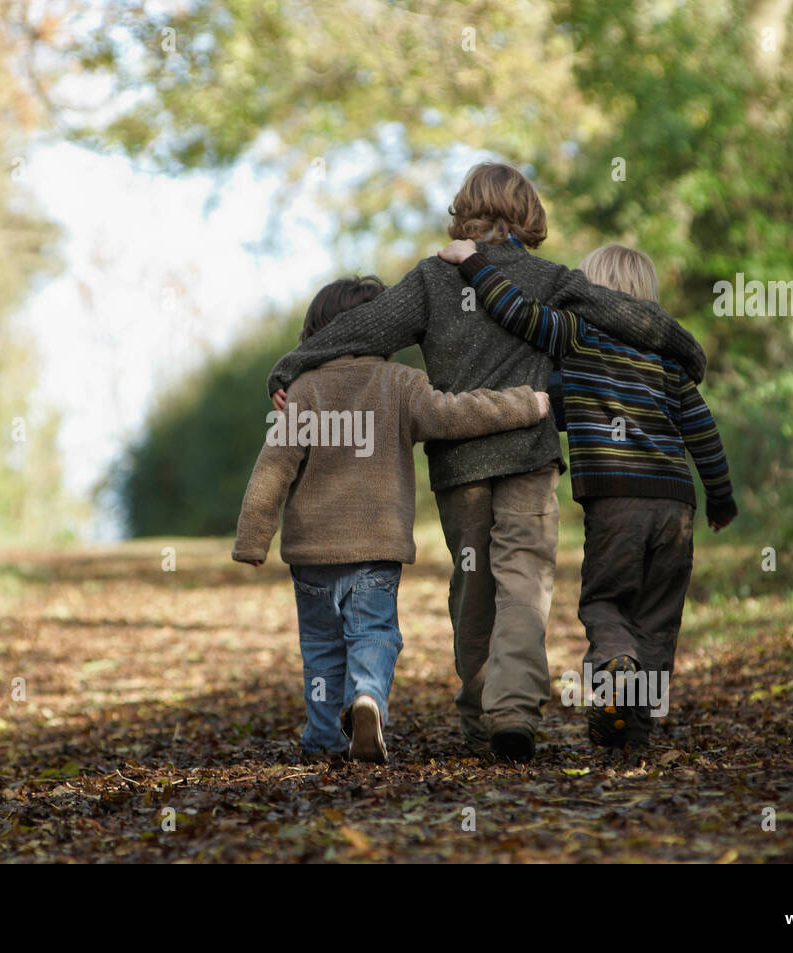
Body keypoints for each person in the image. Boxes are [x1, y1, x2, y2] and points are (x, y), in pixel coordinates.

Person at [266, 163, 706, 761]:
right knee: (525, 587)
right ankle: (513, 713)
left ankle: (479, 721)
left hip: (460, 469)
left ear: (464, 210)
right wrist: (688, 352)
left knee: (474, 592)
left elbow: (361, 328)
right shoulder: (549, 278)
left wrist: (290, 366)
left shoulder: (430, 281)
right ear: (527, 213)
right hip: (528, 460)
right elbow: (633, 317)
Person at [233, 275, 550, 763]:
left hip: (311, 554)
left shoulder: (302, 391)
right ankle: (367, 700)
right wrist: (525, 403)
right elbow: (454, 415)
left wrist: (253, 539)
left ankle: (322, 737)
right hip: (375, 548)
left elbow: (273, 467)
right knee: (374, 633)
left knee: (320, 648)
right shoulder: (400, 383)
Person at [438, 238, 737, 748]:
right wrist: (721, 498)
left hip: (616, 501)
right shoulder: (668, 359)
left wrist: (474, 263)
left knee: (605, 603)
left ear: (589, 291)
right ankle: (633, 727)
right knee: (659, 619)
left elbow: (519, 313)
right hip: (676, 507)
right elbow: (702, 431)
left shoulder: (578, 336)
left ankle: (615, 669)